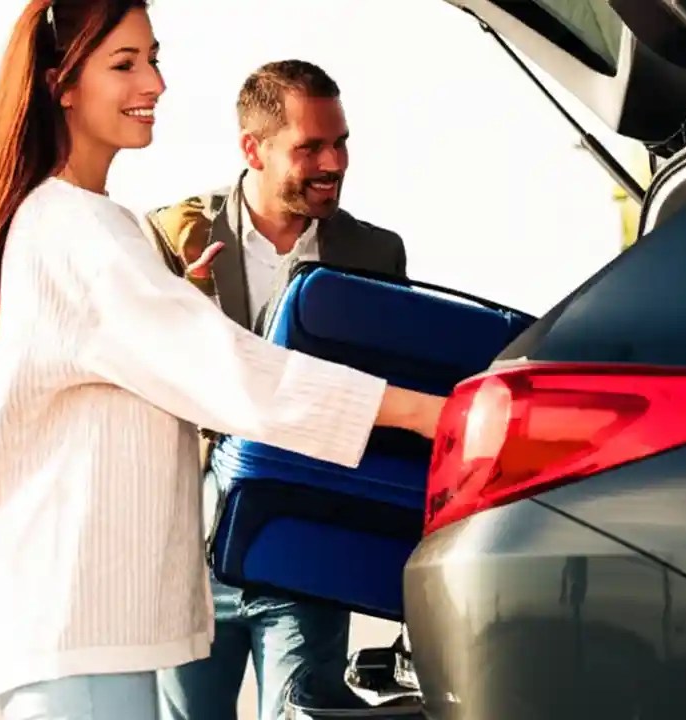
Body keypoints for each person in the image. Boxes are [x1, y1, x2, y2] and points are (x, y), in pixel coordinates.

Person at [0, 2, 444, 718]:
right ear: (61, 84)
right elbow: (228, 372)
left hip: (91, 633)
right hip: (80, 633)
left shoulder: (87, 221)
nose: (157, 83)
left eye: (153, 59)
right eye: (125, 64)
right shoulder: (80, 230)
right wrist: (428, 414)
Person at [143, 60, 408, 720]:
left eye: (341, 142)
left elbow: (390, 401)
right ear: (252, 149)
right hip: (189, 557)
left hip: (305, 549)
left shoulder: (375, 256)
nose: (333, 162)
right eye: (310, 147)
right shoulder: (173, 238)